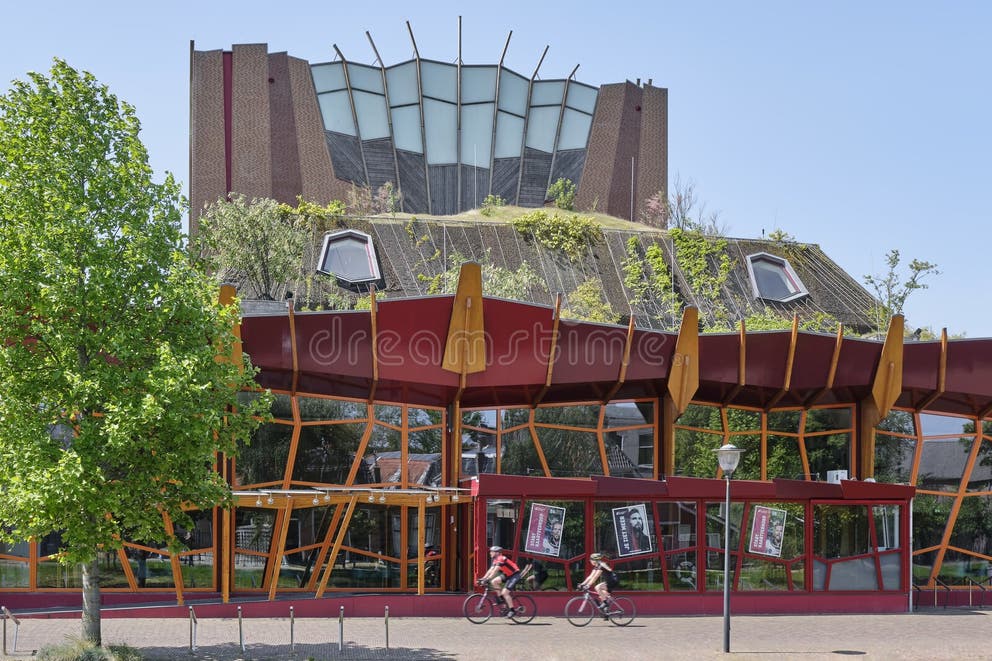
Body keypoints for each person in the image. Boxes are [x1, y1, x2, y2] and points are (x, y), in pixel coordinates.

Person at [477, 545, 522, 617]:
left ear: (497, 553)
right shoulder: (495, 560)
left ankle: (512, 611)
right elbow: (490, 570)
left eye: (492, 552)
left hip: (515, 575)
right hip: (508, 574)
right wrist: (483, 578)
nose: (490, 553)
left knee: (505, 592)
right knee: (494, 582)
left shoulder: (501, 558)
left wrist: (488, 579)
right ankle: (502, 600)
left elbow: (495, 570)